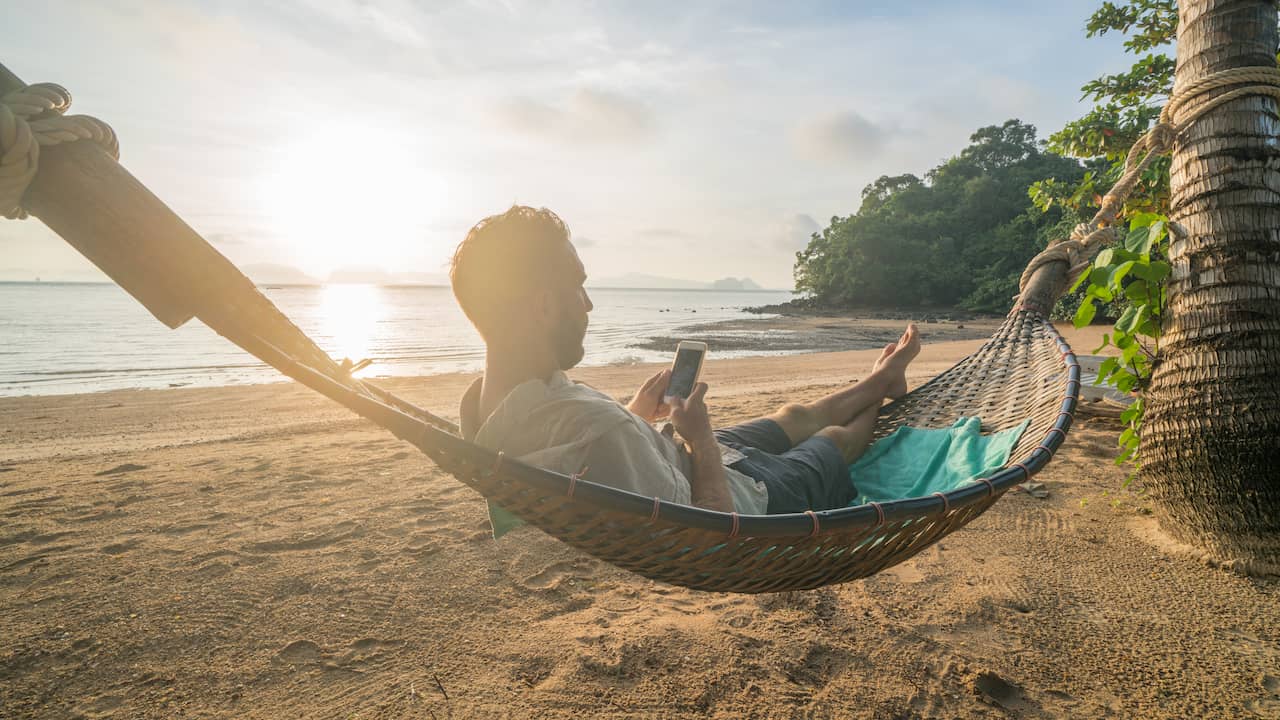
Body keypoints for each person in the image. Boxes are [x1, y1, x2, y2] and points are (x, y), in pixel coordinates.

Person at [451, 206, 919, 532]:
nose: (588, 304)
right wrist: (700, 436)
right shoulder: (601, 430)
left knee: (794, 415)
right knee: (832, 439)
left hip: (673, 455)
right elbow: (711, 524)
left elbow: (586, 445)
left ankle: (880, 379)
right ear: (544, 307)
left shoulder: (486, 412)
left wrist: (635, 414)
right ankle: (882, 386)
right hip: (747, 496)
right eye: (578, 287)